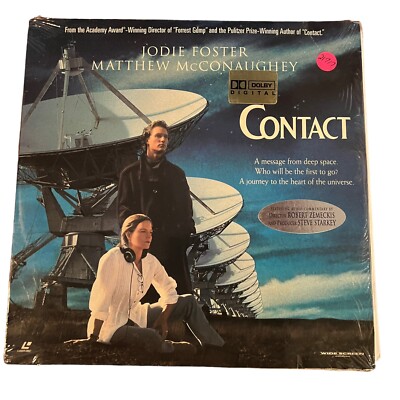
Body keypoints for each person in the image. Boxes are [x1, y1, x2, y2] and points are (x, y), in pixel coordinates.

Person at [86, 214, 224, 355]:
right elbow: (101, 303)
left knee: (188, 302)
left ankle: (215, 347)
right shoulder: (112, 259)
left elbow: (169, 291)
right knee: (151, 336)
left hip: (138, 315)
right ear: (128, 234)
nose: (149, 236)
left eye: (151, 232)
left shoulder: (150, 262)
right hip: (111, 326)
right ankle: (171, 348)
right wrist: (94, 338)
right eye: (143, 231)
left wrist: (163, 318)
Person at [117, 120, 195, 300]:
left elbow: (185, 211)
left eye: (166, 137)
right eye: (158, 136)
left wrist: (182, 237)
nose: (163, 140)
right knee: (141, 302)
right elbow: (124, 211)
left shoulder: (177, 175)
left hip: (172, 250)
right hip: (142, 251)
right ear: (147, 139)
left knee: (177, 300)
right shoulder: (129, 175)